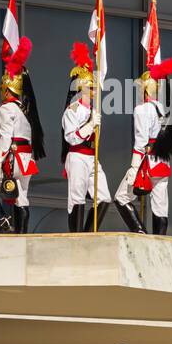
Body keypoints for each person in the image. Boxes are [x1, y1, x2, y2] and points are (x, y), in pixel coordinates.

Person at [0, 37, 44, 234]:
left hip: (13, 159)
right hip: (26, 160)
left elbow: (6, 138)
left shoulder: (6, 108)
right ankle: (21, 235)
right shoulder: (24, 111)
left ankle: (2, 220)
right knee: (21, 197)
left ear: (7, 90)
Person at [115, 57, 172, 235]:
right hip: (162, 162)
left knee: (121, 197)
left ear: (145, 89)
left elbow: (140, 141)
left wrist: (133, 166)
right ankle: (158, 243)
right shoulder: (165, 109)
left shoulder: (142, 109)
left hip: (146, 161)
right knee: (160, 205)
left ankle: (140, 233)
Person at [61, 42, 112, 232]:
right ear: (82, 88)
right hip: (77, 156)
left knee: (105, 197)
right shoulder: (72, 110)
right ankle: (76, 236)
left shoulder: (93, 109)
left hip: (92, 157)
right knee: (77, 198)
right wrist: (90, 125)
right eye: (91, 88)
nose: (94, 92)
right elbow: (71, 138)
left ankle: (88, 233)